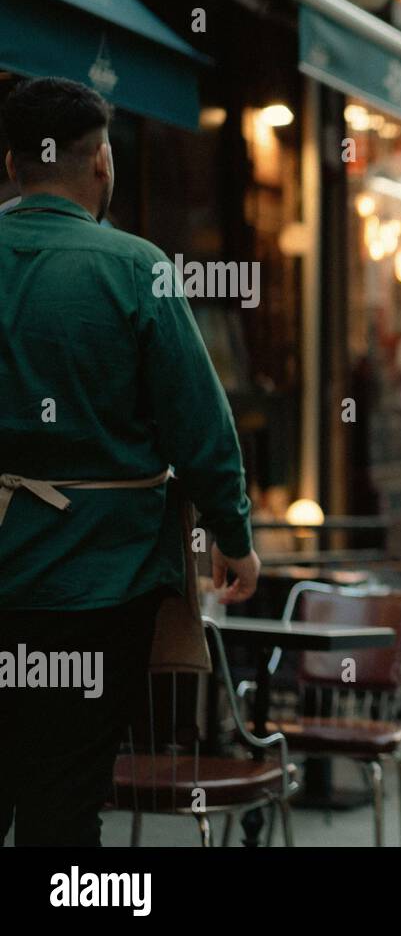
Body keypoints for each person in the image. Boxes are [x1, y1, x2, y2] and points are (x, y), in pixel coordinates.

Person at [0, 78, 259, 846]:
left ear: (13, 166)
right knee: (68, 797)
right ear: (103, 164)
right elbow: (200, 428)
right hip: (99, 581)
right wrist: (232, 536)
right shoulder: (137, 268)